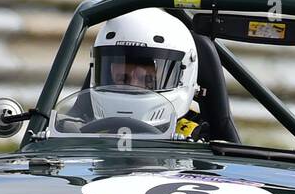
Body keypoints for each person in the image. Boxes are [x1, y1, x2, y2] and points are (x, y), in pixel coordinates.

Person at [89, 8, 207, 139]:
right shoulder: (82, 130)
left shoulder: (196, 137)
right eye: (122, 79)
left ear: (183, 76)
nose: (133, 87)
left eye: (147, 80)